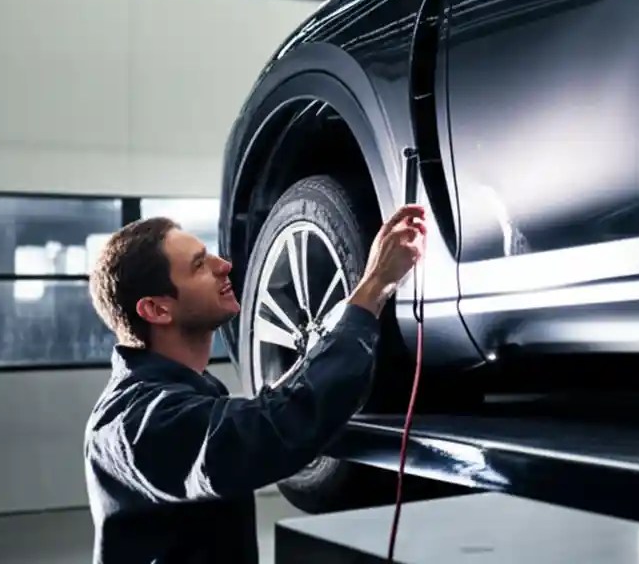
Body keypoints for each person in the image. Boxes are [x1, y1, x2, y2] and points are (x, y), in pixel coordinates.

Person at [83, 204, 427, 564]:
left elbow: (271, 409)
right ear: (157, 310)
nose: (224, 265)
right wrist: (372, 289)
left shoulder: (185, 395)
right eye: (200, 265)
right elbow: (273, 429)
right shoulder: (136, 423)